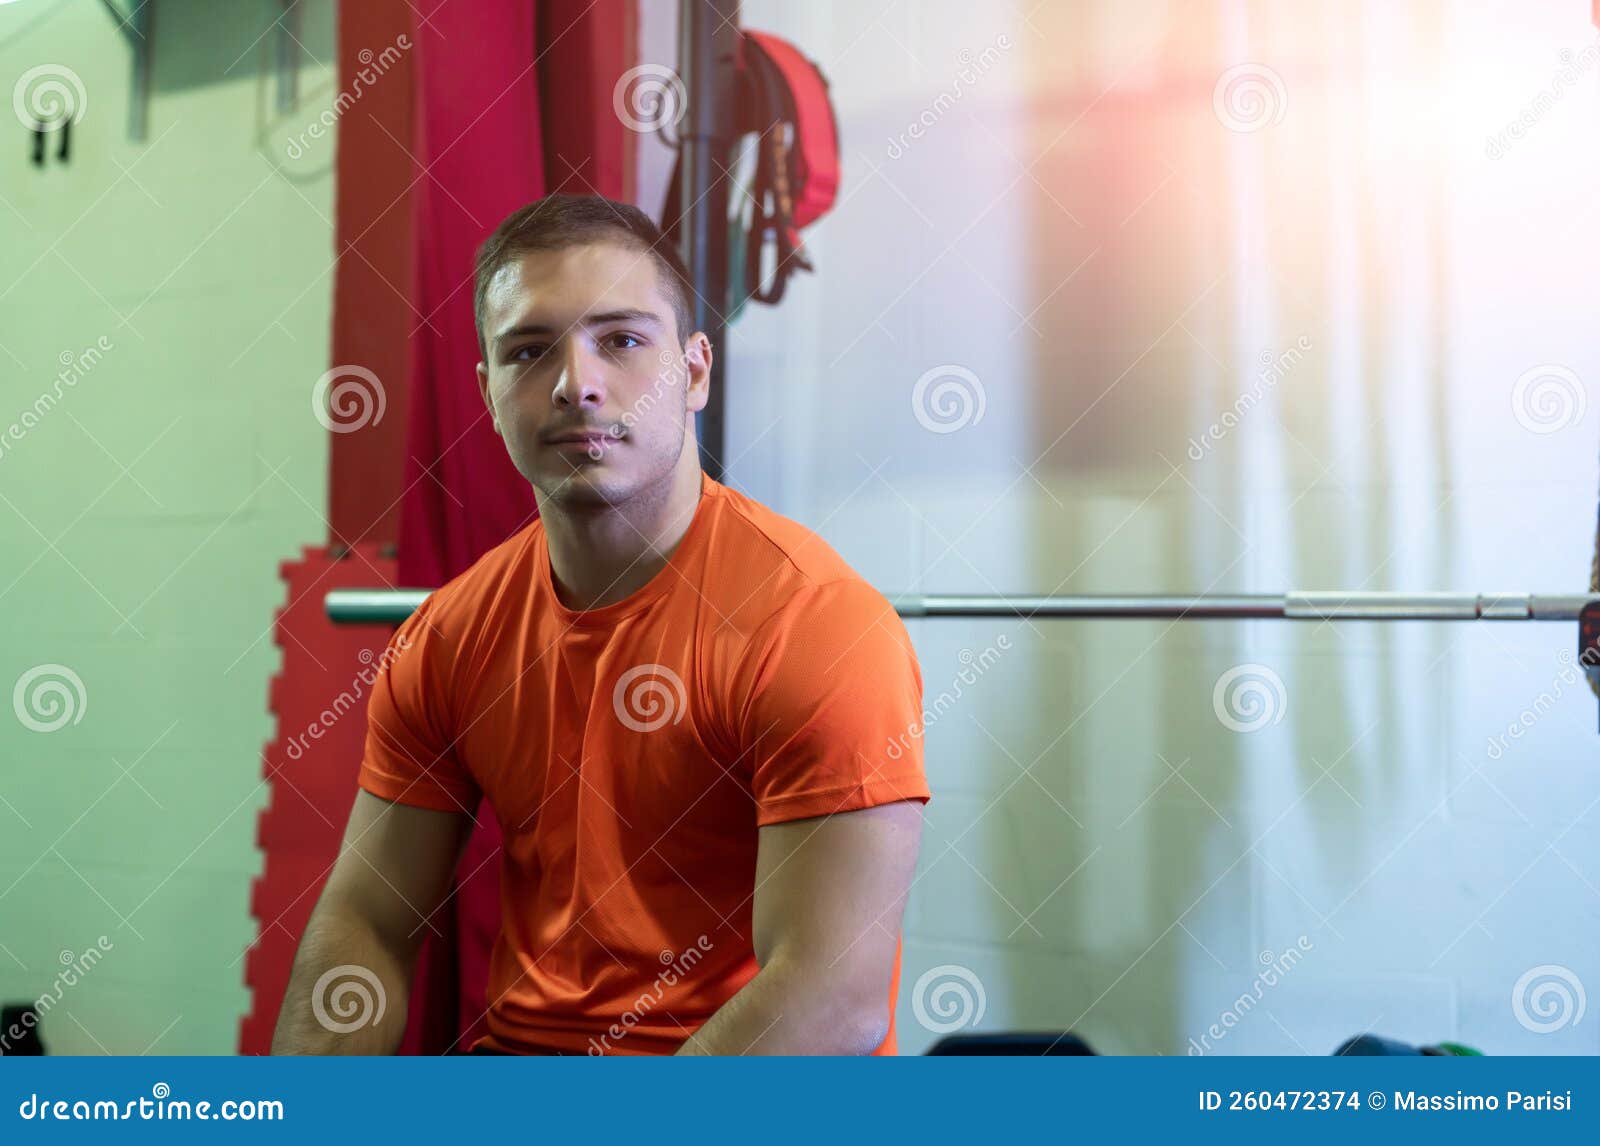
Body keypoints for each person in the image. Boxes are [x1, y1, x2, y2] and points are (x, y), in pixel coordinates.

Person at [271, 193, 930, 1056]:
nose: (575, 383)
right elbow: (365, 921)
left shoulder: (815, 626)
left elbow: (832, 999)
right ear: (489, 392)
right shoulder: (450, 636)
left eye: (621, 341)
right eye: (529, 350)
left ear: (695, 372)